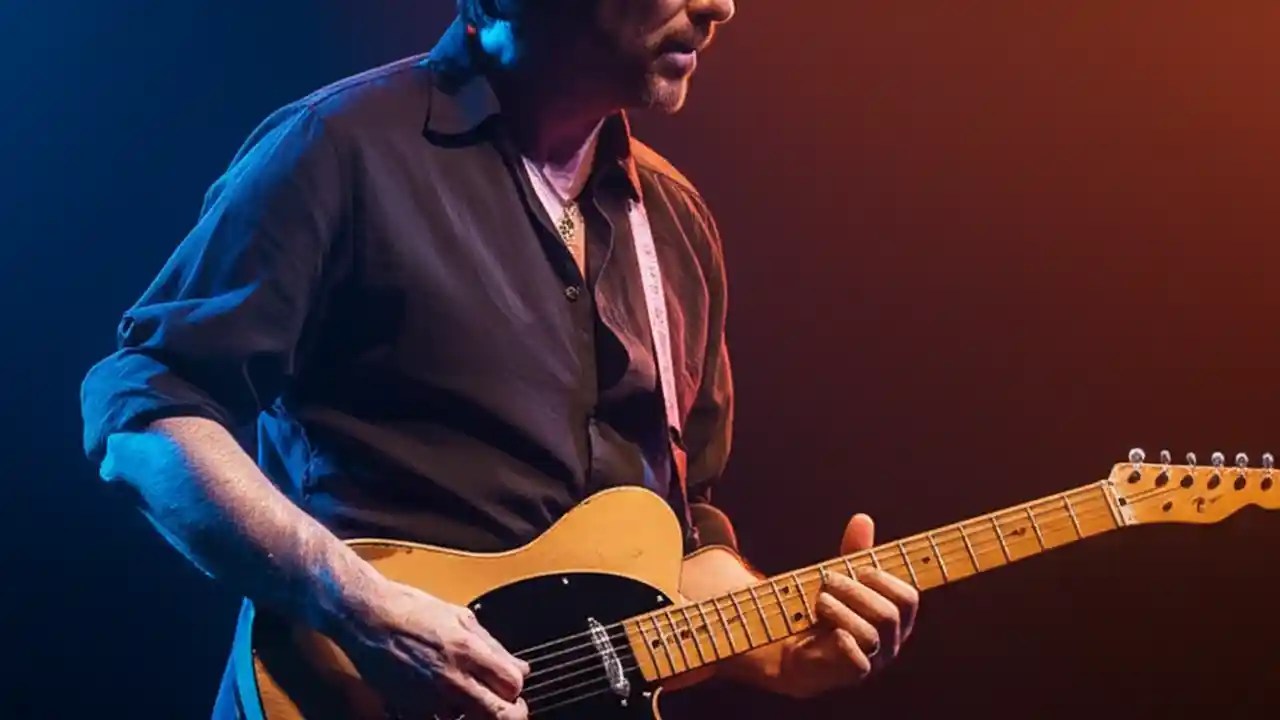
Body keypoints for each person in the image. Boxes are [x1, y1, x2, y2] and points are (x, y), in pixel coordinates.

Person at [79, 1, 920, 718]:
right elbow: (144, 412)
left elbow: (684, 521)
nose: (722, 5)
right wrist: (355, 604)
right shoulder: (339, 152)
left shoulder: (674, 221)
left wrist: (775, 648)